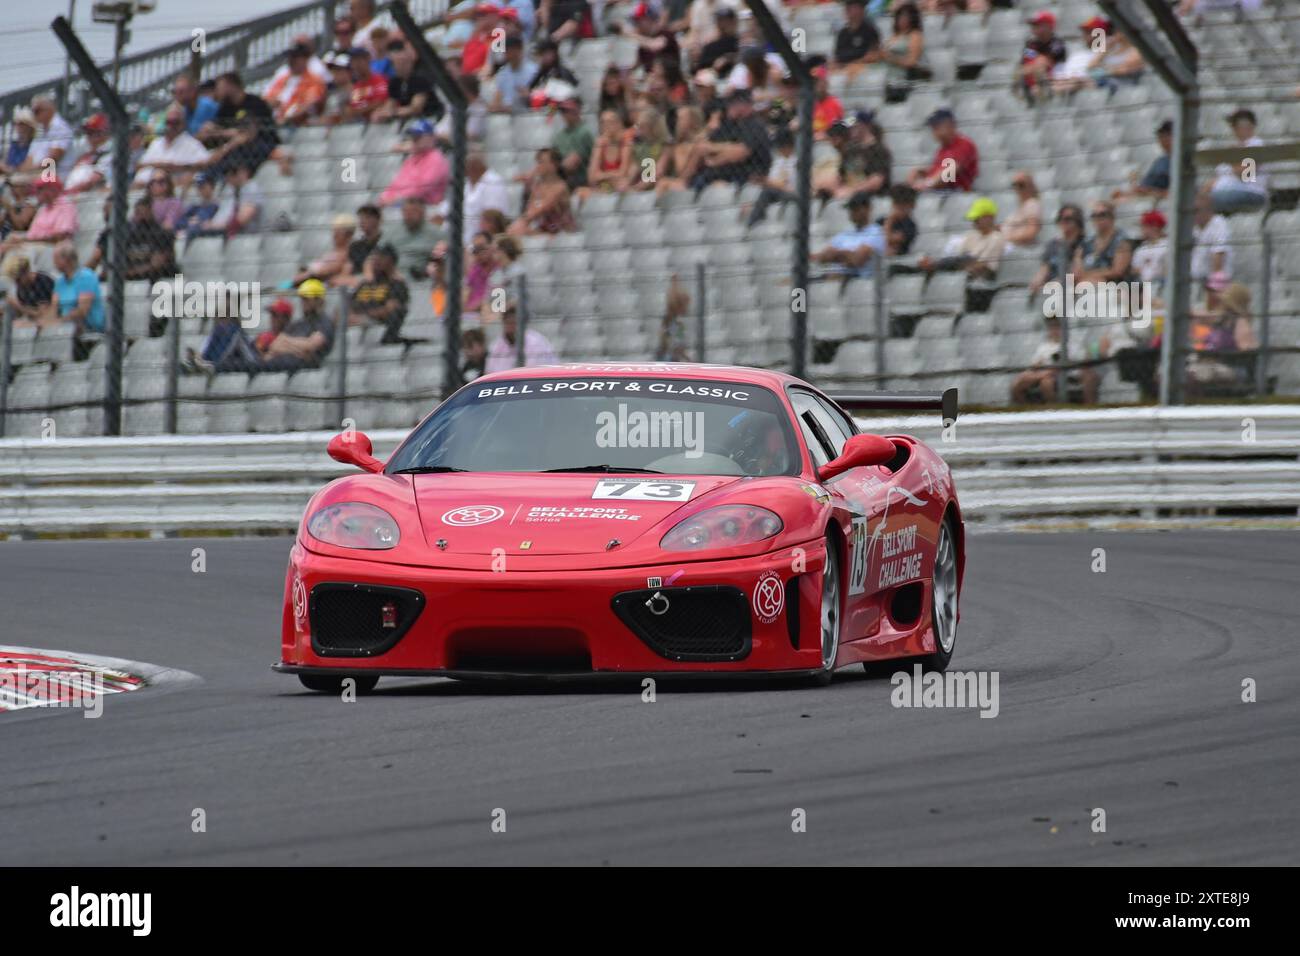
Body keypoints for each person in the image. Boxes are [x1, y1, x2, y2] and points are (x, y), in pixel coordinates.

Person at [201, 71, 282, 176]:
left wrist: (223, 145)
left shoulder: (255, 103)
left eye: (220, 87)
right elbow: (216, 128)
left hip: (261, 145)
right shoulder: (225, 107)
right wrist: (213, 129)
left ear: (230, 86)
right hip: (236, 148)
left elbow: (248, 134)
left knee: (237, 166)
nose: (217, 91)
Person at [690, 88, 770, 191]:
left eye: (733, 104)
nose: (729, 107)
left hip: (747, 176)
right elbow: (702, 146)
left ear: (744, 105)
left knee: (717, 187)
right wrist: (710, 129)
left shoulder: (754, 125)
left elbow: (741, 152)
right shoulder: (731, 125)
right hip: (720, 175)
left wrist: (713, 152)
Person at [1010, 315, 1096, 404]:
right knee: (1022, 381)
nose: (1054, 330)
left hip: (1069, 375)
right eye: (1051, 326)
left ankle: (1056, 409)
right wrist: (1045, 371)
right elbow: (1035, 365)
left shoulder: (1073, 344)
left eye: (1057, 326)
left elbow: (1085, 361)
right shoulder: (1043, 347)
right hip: (1047, 374)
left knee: (1046, 382)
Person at [1187, 281, 1258, 388]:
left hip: (1232, 368)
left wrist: (1218, 356)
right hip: (1212, 365)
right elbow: (1197, 316)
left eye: (1226, 302)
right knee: (1187, 368)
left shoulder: (1240, 322)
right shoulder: (1221, 319)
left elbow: (1248, 354)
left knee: (1200, 373)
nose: (1222, 303)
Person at [260, 279, 338, 371]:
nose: (303, 302)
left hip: (303, 367)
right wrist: (300, 348)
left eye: (306, 298)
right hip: (281, 362)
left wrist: (287, 342)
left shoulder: (325, 322)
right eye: (302, 298)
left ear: (318, 299)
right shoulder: (299, 323)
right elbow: (276, 345)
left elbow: (311, 346)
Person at [811, 191, 886, 281]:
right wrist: (845, 255)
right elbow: (822, 257)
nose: (852, 212)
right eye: (850, 209)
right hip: (835, 277)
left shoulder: (876, 232)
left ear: (868, 209)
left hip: (859, 280)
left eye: (856, 209)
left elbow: (857, 260)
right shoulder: (845, 233)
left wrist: (836, 254)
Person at [1207, 108, 1269, 214]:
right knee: (1199, 199)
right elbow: (1218, 177)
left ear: (1248, 125)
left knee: (1209, 201)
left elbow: (1245, 175)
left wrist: (1232, 156)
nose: (1233, 129)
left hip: (1251, 192)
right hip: (1226, 191)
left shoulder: (1256, 144)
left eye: (1235, 124)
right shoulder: (1236, 146)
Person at [134, 105, 210, 187]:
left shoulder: (192, 144)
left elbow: (205, 166)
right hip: (147, 190)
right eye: (168, 122)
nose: (171, 126)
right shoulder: (156, 143)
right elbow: (141, 169)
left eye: (175, 122)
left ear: (183, 124)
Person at [379, 120, 450, 207]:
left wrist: (395, 199)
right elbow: (396, 183)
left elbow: (421, 190)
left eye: (418, 136)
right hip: (402, 203)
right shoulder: (412, 158)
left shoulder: (436, 159)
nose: (414, 139)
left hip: (423, 206)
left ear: (431, 138)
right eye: (413, 136)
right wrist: (385, 197)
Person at [508, 148, 576, 236]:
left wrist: (522, 222)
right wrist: (519, 224)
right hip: (544, 231)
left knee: (519, 230)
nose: (537, 166)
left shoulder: (560, 187)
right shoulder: (538, 185)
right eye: (537, 162)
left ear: (553, 165)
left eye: (541, 162)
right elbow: (530, 209)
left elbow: (542, 208)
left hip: (561, 234)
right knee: (515, 230)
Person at [908, 109, 978, 192]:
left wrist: (927, 184)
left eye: (936, 127)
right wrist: (923, 172)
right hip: (941, 193)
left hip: (956, 193)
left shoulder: (964, 144)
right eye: (933, 128)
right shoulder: (942, 149)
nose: (934, 131)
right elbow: (939, 172)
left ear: (950, 125)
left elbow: (951, 172)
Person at [350, 245, 409, 342]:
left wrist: (363, 316)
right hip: (352, 325)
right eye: (374, 258)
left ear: (391, 261)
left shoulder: (397, 285)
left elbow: (390, 311)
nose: (376, 261)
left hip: (375, 329)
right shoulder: (364, 285)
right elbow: (345, 308)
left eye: (381, 257)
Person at [47, 241, 105, 335]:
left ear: (67, 260)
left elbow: (82, 310)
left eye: (56, 259)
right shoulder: (60, 282)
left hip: (86, 327)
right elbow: (54, 308)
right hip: (64, 326)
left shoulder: (86, 277)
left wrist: (59, 322)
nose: (54, 262)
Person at [485, 299, 558, 372]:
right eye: (507, 322)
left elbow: (534, 373)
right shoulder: (497, 346)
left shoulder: (536, 343)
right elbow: (489, 372)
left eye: (513, 322)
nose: (510, 326)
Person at [264, 43, 327, 126]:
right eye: (290, 57)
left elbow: (309, 105)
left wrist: (286, 119)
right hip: (276, 123)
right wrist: (273, 103)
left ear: (305, 59)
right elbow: (266, 99)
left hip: (299, 127)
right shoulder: (282, 78)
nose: (292, 60)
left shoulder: (314, 81)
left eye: (296, 57)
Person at [1029, 204, 1086, 296]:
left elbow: (1079, 273)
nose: (1063, 221)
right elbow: (1044, 269)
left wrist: (1060, 282)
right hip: (1053, 288)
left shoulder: (1084, 244)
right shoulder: (1053, 245)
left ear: (1077, 222)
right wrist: (1037, 281)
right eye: (1060, 218)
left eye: (1067, 219)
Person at [1113, 120, 1173, 205]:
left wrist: (1152, 192)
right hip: (1150, 201)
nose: (1162, 140)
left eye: (1165, 136)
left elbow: (1176, 194)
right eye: (1161, 136)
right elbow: (1144, 187)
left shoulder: (1182, 161)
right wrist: (1127, 193)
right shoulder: (1160, 162)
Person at [879, 2, 929, 102]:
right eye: (900, 16)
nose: (902, 19)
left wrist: (890, 58)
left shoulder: (915, 35)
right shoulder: (893, 36)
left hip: (904, 79)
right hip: (888, 78)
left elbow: (912, 61)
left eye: (906, 16)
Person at [122, 197, 178, 283]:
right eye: (137, 213)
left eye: (142, 212)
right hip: (132, 278)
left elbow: (156, 264)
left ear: (151, 212)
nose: (139, 217)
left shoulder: (162, 234)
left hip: (159, 280)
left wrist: (129, 272)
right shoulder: (129, 235)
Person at [1017, 10, 1067, 105]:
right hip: (1032, 85)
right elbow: (1025, 68)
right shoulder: (1030, 44)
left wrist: (1035, 65)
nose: (1033, 28)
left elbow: (1045, 63)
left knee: (1040, 66)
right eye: (1033, 25)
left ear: (1048, 26)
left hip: (1055, 82)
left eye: (1037, 25)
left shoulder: (1057, 43)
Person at [295, 213, 357, 287]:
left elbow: (326, 271)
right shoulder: (333, 253)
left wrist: (310, 272)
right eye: (334, 232)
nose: (334, 236)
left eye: (338, 233)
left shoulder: (346, 254)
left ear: (349, 235)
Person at [390, 196, 441, 280]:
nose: (408, 216)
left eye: (413, 212)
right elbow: (377, 255)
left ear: (422, 212)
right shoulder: (393, 232)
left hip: (421, 279)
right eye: (406, 212)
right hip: (394, 278)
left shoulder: (436, 234)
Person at [551, 97, 594, 191]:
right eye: (562, 111)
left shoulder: (585, 132)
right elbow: (552, 157)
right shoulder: (559, 136)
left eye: (567, 110)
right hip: (563, 179)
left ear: (577, 111)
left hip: (582, 179)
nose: (564, 114)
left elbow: (574, 161)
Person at [488, 36, 539, 114]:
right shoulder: (503, 73)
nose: (507, 53)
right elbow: (496, 100)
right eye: (505, 50)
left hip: (528, 115)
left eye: (510, 50)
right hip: (506, 117)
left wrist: (528, 95)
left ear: (519, 50)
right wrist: (497, 107)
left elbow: (538, 97)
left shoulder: (534, 70)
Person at [1, 255, 54, 326]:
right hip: (33, 324)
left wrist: (19, 306)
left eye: (18, 279)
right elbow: (22, 313)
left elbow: (43, 314)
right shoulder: (21, 287)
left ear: (26, 272)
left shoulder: (42, 281)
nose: (17, 283)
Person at [833, 0, 881, 73]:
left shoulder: (870, 30)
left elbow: (873, 55)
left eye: (856, 8)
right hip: (842, 70)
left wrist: (853, 65)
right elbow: (837, 56)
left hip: (864, 71)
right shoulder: (842, 33)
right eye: (848, 8)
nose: (850, 11)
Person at [1003, 171, 1042, 251]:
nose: (1017, 188)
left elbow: (1032, 232)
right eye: (1014, 185)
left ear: (1030, 186)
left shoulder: (1032, 204)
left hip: (1019, 248)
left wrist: (1008, 237)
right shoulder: (1022, 206)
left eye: (1021, 185)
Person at [1131, 209, 1168, 290]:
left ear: (1154, 227)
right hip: (1142, 286)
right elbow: (1135, 270)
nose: (1141, 229)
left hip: (1161, 286)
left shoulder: (1167, 245)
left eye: (1144, 226)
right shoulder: (1141, 248)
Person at [880, 184, 918, 256]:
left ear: (911, 205)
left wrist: (889, 221)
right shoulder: (881, 220)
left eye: (903, 204)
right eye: (897, 203)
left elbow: (888, 240)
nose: (899, 208)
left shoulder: (910, 226)